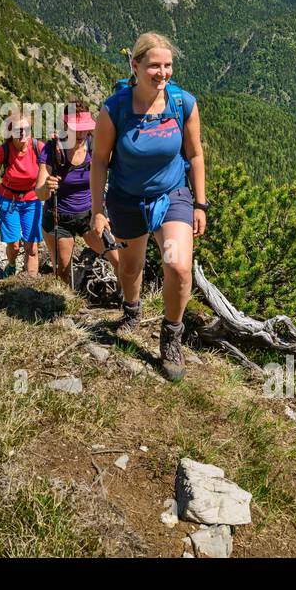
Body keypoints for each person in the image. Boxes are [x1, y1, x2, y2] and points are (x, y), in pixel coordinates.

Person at [90, 33, 207, 381]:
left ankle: (171, 335)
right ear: (135, 65)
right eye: (154, 65)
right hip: (126, 200)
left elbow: (195, 154)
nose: (162, 72)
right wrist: (98, 210)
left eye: (168, 65)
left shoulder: (182, 103)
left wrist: (200, 203)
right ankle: (131, 309)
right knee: (130, 268)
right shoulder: (116, 109)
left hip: (172, 196)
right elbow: (99, 161)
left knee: (179, 267)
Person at [35, 101, 122, 285]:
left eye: (85, 128)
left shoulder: (94, 144)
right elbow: (40, 193)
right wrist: (47, 186)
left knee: (118, 260)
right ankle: (64, 309)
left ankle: (128, 302)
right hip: (59, 219)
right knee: (63, 273)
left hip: (90, 215)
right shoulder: (52, 149)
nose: (82, 133)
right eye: (77, 129)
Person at [0, 107, 43, 275]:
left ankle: (30, 285)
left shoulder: (38, 147)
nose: (23, 133)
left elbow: (54, 164)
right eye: (18, 130)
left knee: (32, 247)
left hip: (32, 200)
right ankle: (11, 264)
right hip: (8, 201)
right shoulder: (4, 150)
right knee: (14, 244)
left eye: (27, 129)